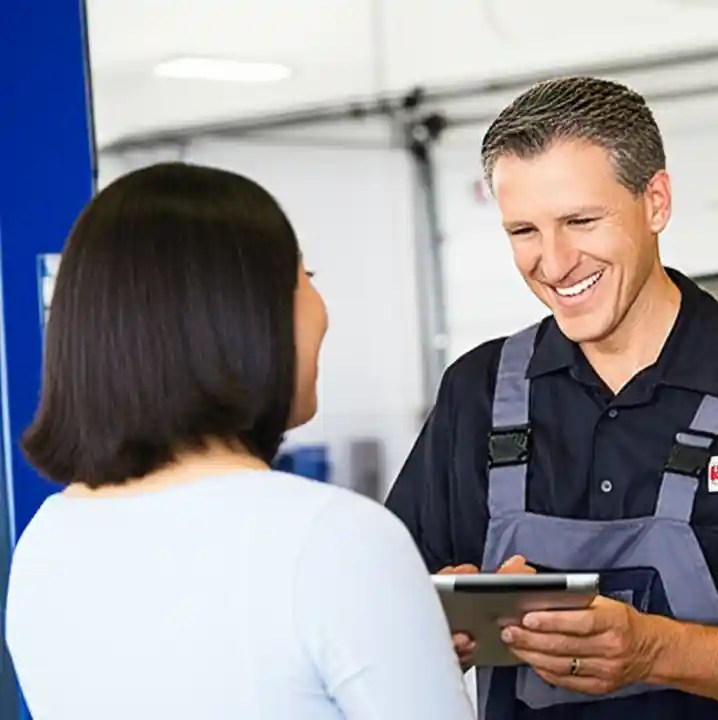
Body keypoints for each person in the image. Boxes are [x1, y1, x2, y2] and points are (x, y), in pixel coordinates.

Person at [386, 76, 718, 720]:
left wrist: (652, 650)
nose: (554, 261)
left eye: (580, 221)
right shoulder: (479, 393)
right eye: (524, 231)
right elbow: (378, 623)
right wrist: (441, 614)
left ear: (655, 201)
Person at [6, 163, 474, 720]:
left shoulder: (46, 541)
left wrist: (400, 634)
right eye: (307, 277)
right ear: (242, 316)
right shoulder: (336, 536)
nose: (322, 311)